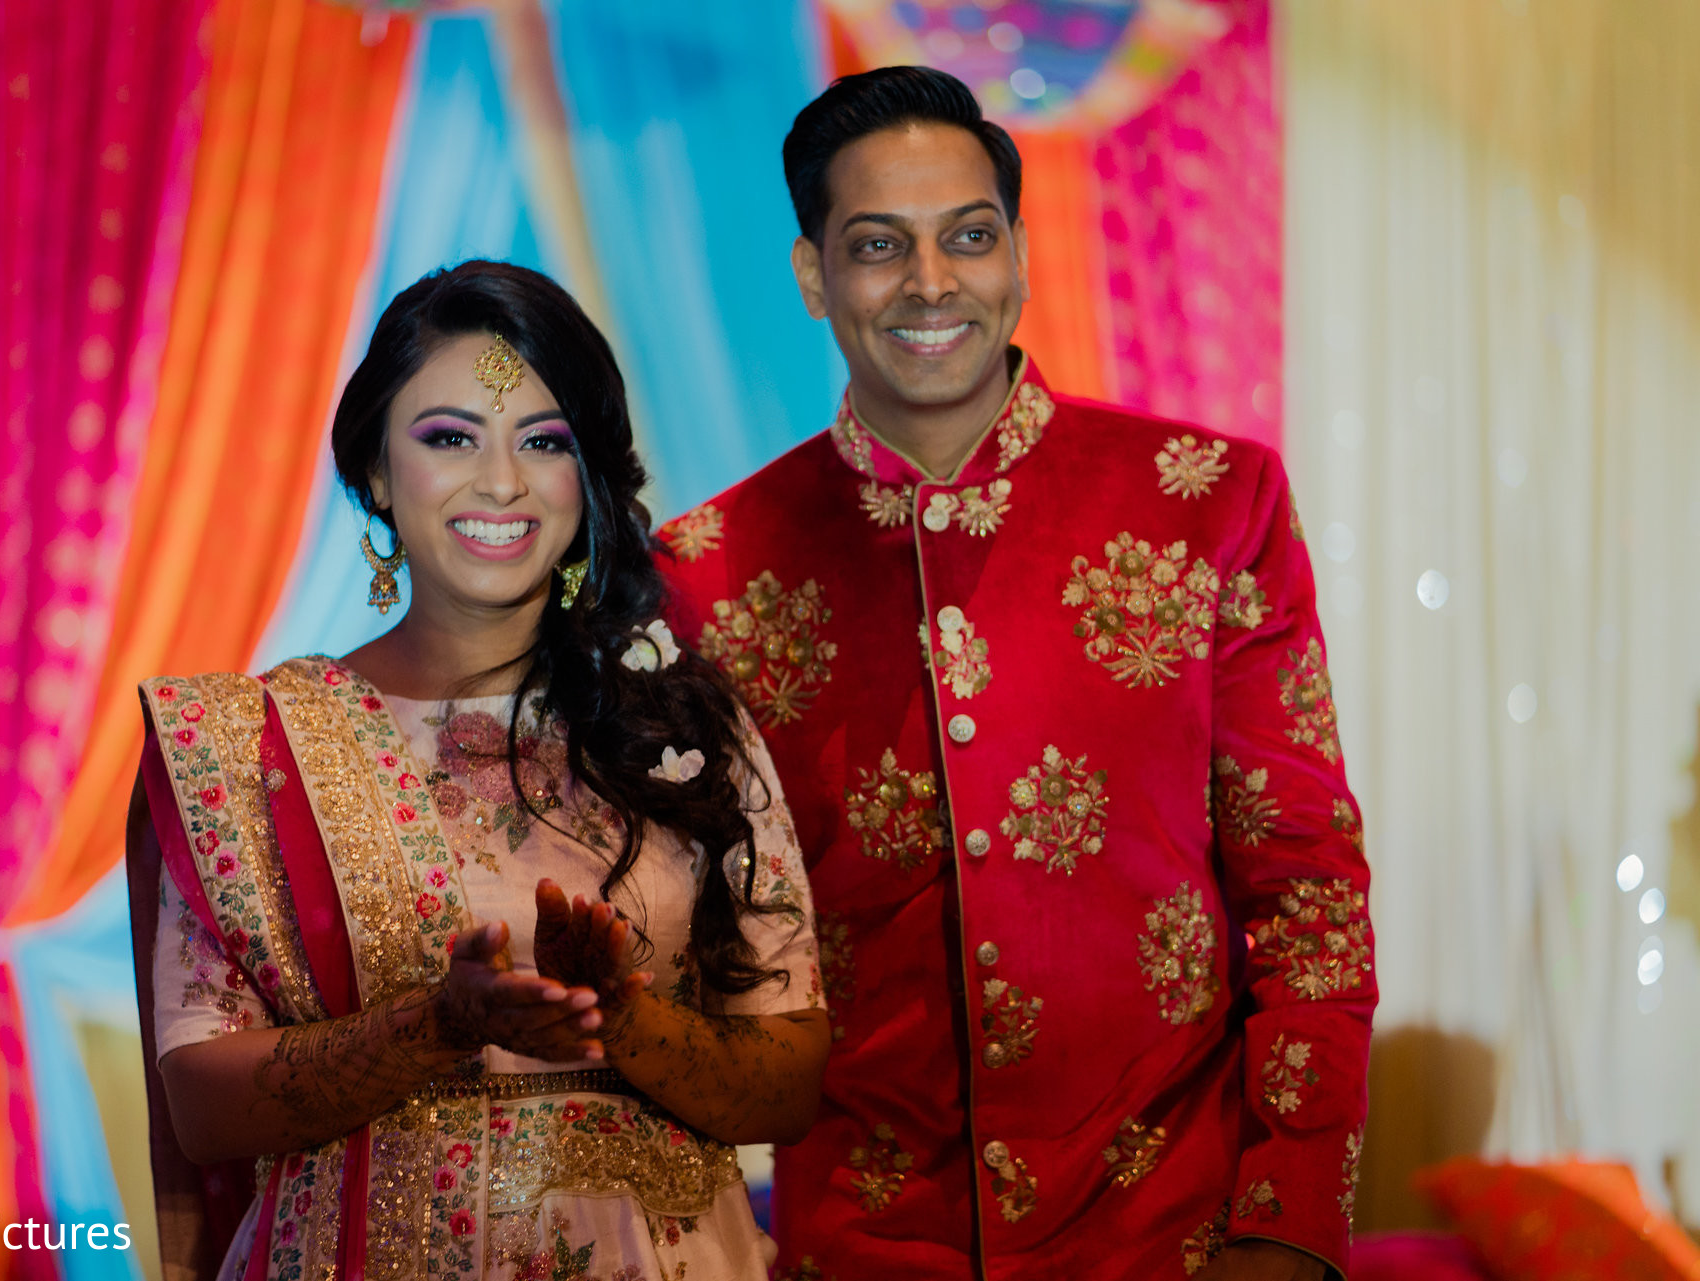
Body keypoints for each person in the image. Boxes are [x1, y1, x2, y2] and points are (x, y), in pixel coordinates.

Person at [656, 68, 1374, 1281]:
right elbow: (692, 946)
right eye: (879, 246)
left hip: (1176, 1233)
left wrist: (1288, 1223)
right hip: (866, 1245)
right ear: (813, 277)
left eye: (969, 237)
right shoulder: (712, 570)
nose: (931, 284)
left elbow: (1306, 894)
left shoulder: (1209, 503)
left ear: (1020, 257)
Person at [126, 261, 830, 1281]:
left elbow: (789, 1087)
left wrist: (625, 1019)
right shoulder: (248, 749)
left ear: (585, 482)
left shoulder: (686, 732)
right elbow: (203, 1106)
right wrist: (439, 1025)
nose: (499, 482)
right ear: (374, 467)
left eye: (543, 442)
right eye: (450, 437)